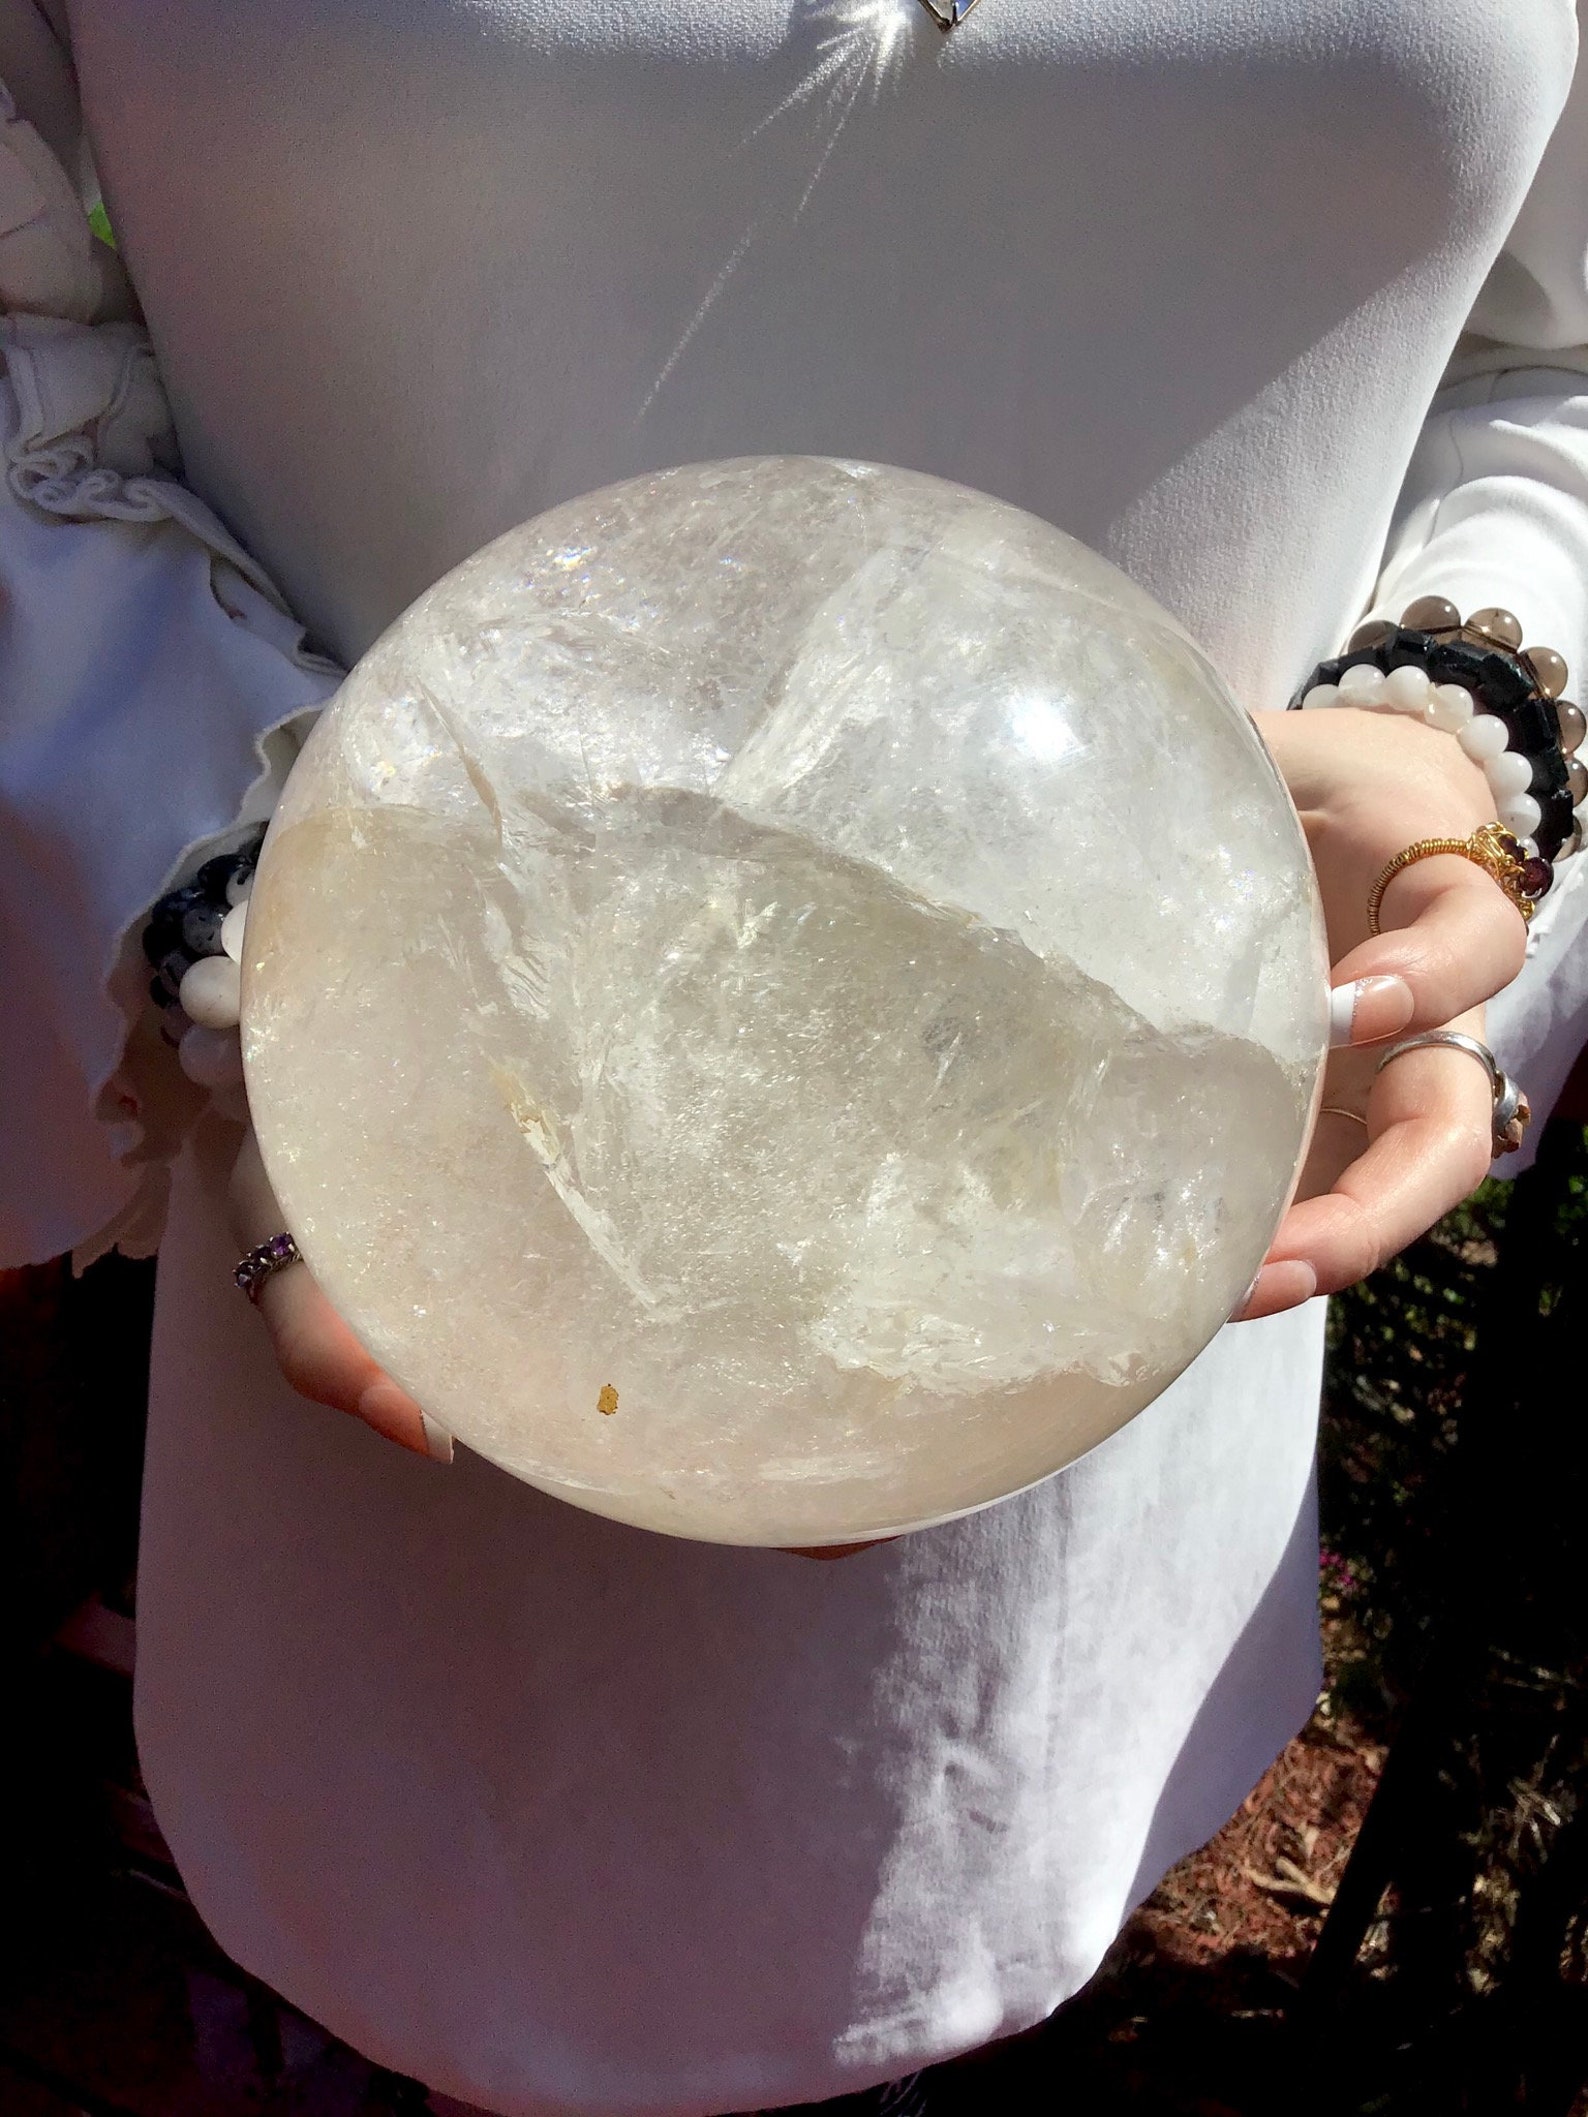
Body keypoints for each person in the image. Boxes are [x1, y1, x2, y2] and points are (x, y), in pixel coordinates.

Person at [4, 2, 1588, 2110]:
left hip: (1118, 1462)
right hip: (388, 1496)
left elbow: (1555, 353)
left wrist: (1467, 716)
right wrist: (224, 872)